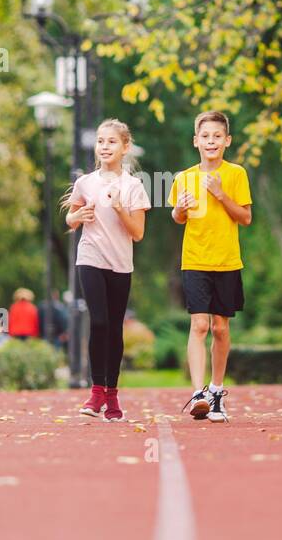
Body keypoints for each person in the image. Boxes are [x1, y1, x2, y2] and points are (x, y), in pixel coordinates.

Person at [64, 118, 152, 422]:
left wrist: (118, 208)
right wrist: (78, 216)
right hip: (90, 258)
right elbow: (70, 219)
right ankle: (96, 391)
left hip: (120, 264)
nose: (104, 147)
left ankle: (112, 394)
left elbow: (138, 233)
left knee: (115, 328)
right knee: (99, 322)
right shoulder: (85, 183)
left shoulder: (133, 186)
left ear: (125, 147)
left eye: (111, 141)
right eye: (100, 141)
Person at [170, 110, 253, 423]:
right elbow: (178, 217)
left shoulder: (236, 174)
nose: (211, 141)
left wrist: (220, 194)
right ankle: (198, 394)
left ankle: (217, 391)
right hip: (194, 259)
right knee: (199, 326)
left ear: (227, 140)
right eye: (205, 136)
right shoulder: (184, 178)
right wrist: (179, 209)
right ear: (196, 141)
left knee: (220, 327)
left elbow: (245, 217)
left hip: (227, 260)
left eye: (217, 136)